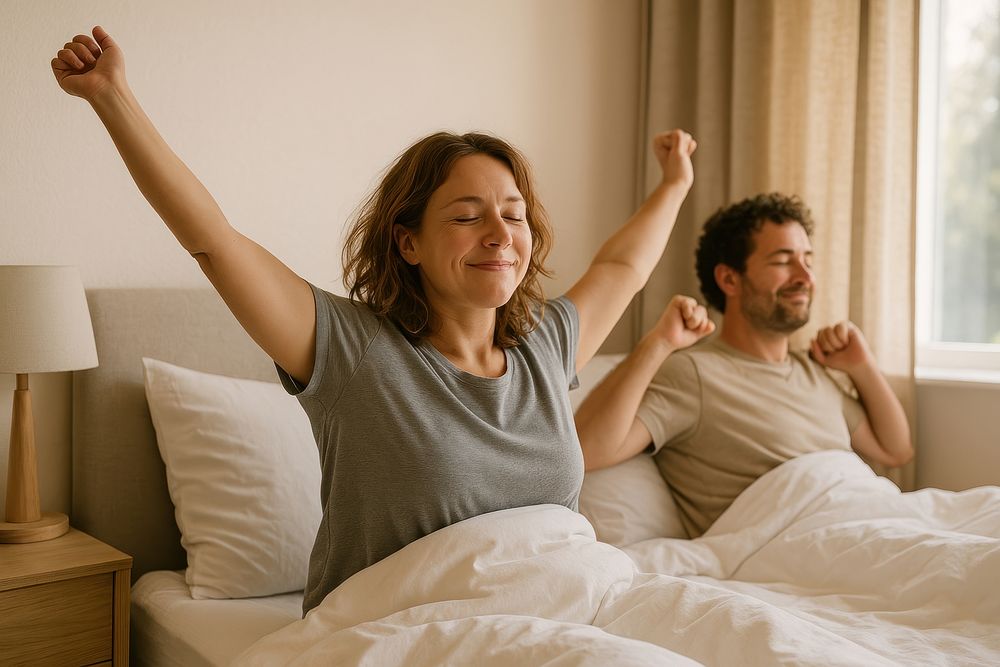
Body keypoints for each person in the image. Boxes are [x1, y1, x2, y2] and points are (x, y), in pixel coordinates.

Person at [52, 26, 698, 615]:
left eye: (515, 213)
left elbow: (623, 266)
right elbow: (214, 240)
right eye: (468, 216)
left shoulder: (546, 347)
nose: (501, 233)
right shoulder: (353, 351)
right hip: (402, 632)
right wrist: (112, 98)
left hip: (557, 613)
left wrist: (673, 183)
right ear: (407, 241)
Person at [574, 192, 913, 539]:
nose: (804, 277)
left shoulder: (815, 370)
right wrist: (657, 343)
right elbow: (586, 450)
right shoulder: (693, 374)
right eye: (783, 261)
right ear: (730, 280)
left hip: (862, 518)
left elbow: (894, 450)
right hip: (792, 542)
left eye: (807, 260)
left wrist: (862, 366)